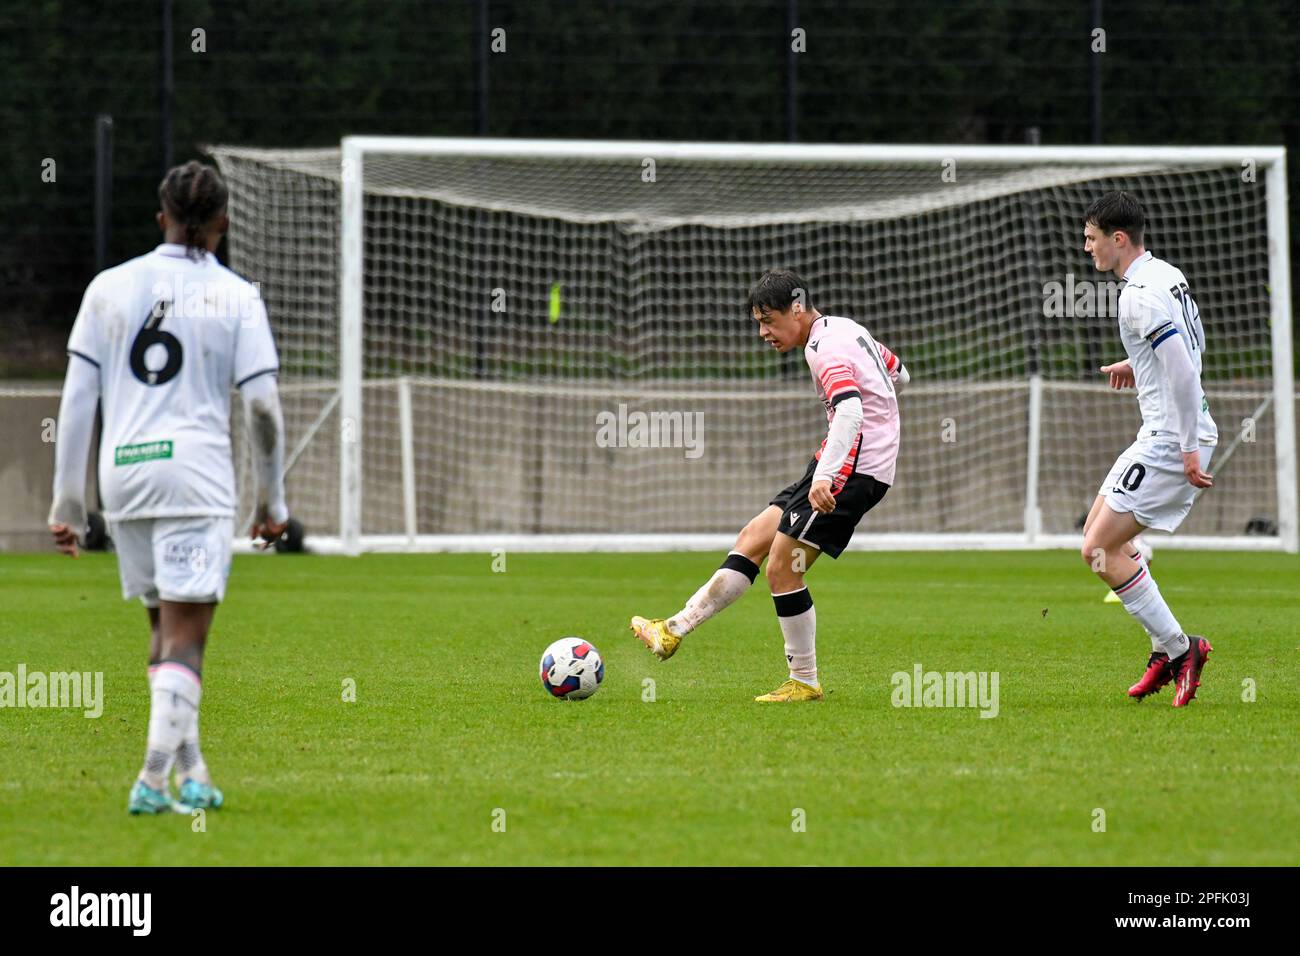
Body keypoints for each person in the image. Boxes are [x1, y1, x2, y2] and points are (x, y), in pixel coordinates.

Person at [48, 160, 290, 812]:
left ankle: (195, 775)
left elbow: (77, 397)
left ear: (161, 217)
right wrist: (273, 503)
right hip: (194, 479)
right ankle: (152, 781)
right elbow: (262, 407)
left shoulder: (108, 286)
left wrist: (68, 502)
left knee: (163, 631)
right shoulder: (237, 295)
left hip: (124, 477)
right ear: (223, 224)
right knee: (189, 637)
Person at [630, 269, 906, 701]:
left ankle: (805, 681)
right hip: (841, 463)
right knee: (754, 537)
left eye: (769, 320)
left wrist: (830, 475)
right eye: (758, 323)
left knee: (782, 568)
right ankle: (673, 629)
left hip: (852, 472)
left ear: (797, 309)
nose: (763, 332)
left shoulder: (822, 348)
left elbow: (850, 411)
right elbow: (899, 374)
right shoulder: (847, 330)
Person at [1081, 191, 1216, 707]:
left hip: (1169, 438)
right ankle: (1164, 648)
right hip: (1161, 433)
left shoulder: (1137, 293)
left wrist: (1186, 448)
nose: (1087, 248)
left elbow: (1183, 366)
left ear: (1119, 239)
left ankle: (1182, 650)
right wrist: (1134, 364)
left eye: (1093, 238)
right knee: (1101, 540)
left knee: (1097, 550)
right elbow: (1185, 347)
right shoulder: (1167, 275)